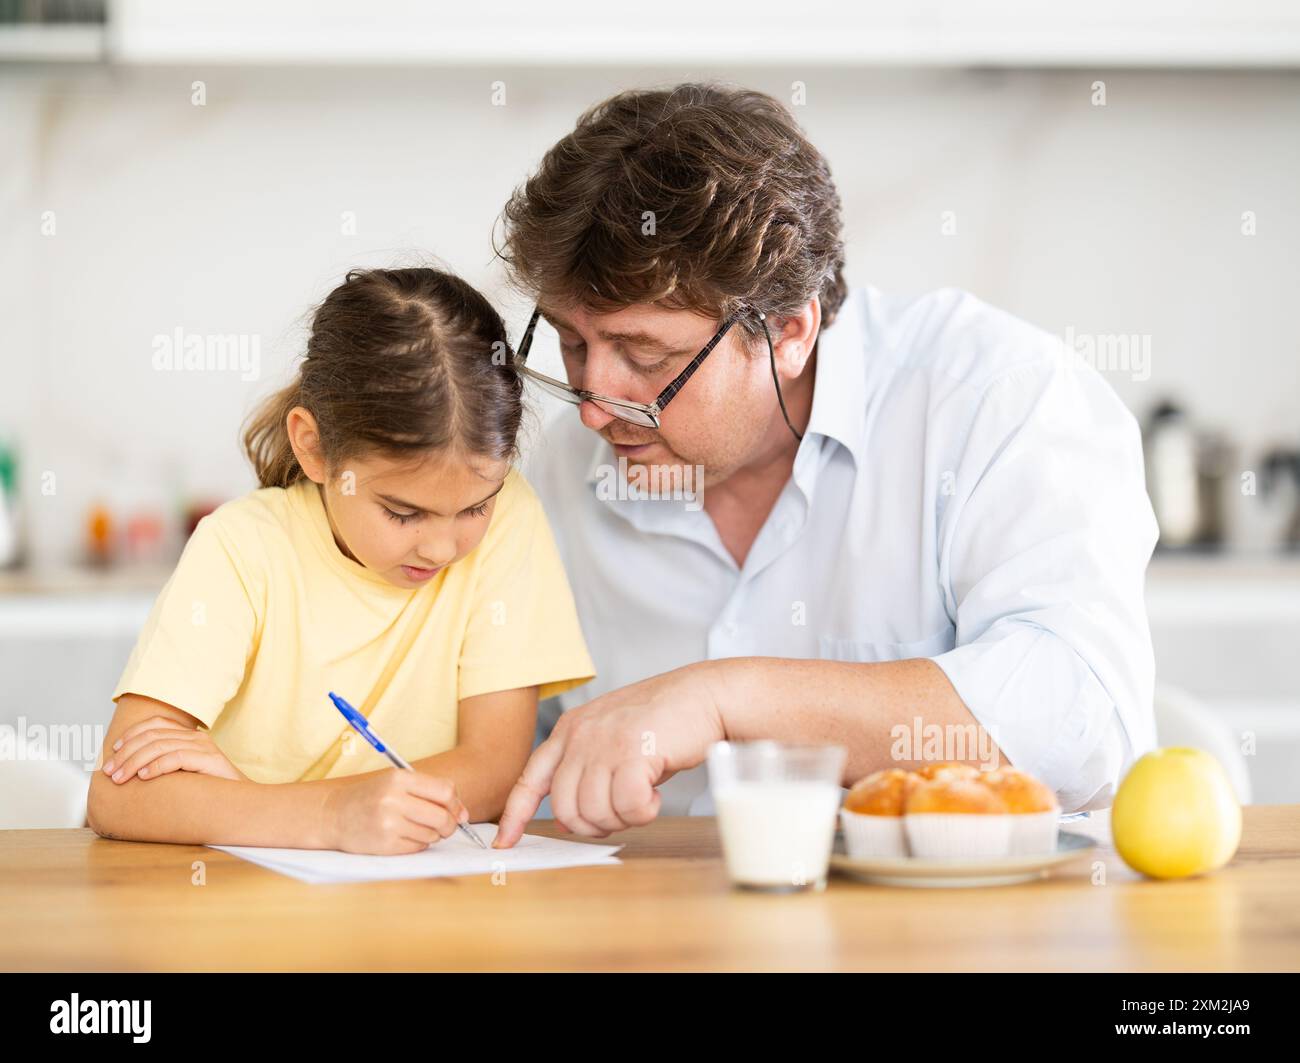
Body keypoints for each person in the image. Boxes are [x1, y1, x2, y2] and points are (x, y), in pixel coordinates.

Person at [491, 84, 1157, 848]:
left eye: (646, 356)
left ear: (790, 330)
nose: (594, 407)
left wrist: (722, 698)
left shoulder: (996, 399)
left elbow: (1078, 717)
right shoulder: (571, 467)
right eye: (574, 345)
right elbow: (520, 744)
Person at [87, 267, 594, 854]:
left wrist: (255, 803)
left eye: (474, 508)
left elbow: (495, 770)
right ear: (313, 447)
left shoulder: (511, 518)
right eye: (403, 513)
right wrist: (333, 815)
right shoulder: (240, 548)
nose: (442, 548)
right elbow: (117, 794)